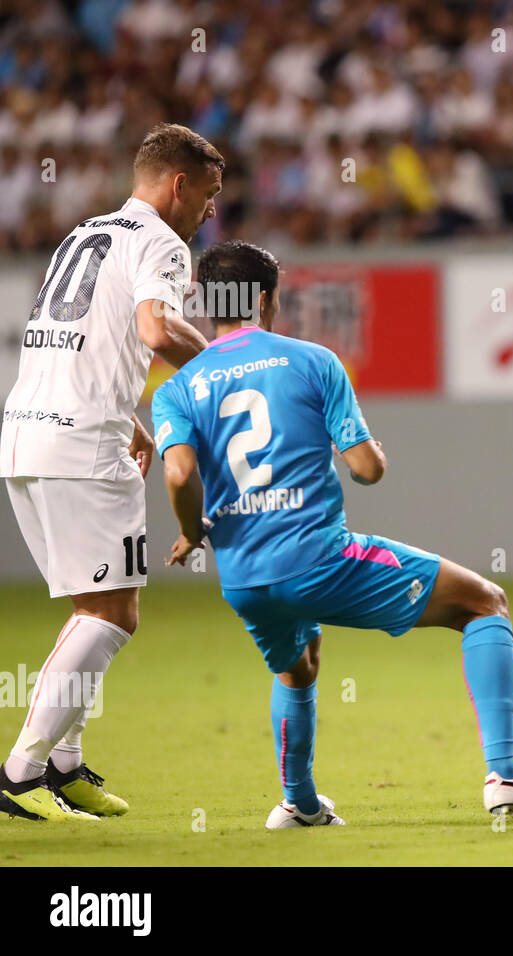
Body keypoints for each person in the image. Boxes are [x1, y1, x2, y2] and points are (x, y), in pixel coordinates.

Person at [151, 240, 513, 827]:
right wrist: (372, 449)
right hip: (318, 558)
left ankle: (299, 804)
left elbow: (177, 472)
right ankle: (506, 774)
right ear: (267, 299)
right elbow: (366, 469)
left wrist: (190, 531)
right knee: (485, 603)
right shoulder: (311, 361)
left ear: (206, 302)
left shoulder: (178, 387)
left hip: (245, 578)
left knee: (297, 665)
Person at [0, 123, 219, 821]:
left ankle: (64, 766)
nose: (210, 210)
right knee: (112, 614)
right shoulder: (161, 242)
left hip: (27, 437)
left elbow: (73, 341)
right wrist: (226, 363)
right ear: (178, 184)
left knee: (88, 610)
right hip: (81, 447)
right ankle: (20, 774)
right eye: (210, 194)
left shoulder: (84, 233)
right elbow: (157, 330)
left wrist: (130, 417)